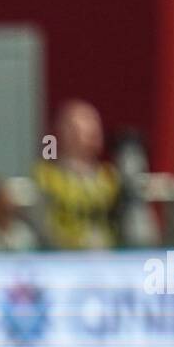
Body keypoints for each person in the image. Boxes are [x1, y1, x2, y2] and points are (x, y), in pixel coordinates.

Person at [32, 100, 120, 249]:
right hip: (61, 258)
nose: (93, 132)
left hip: (106, 258)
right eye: (84, 125)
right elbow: (40, 224)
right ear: (65, 132)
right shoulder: (46, 175)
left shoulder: (110, 176)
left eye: (96, 125)